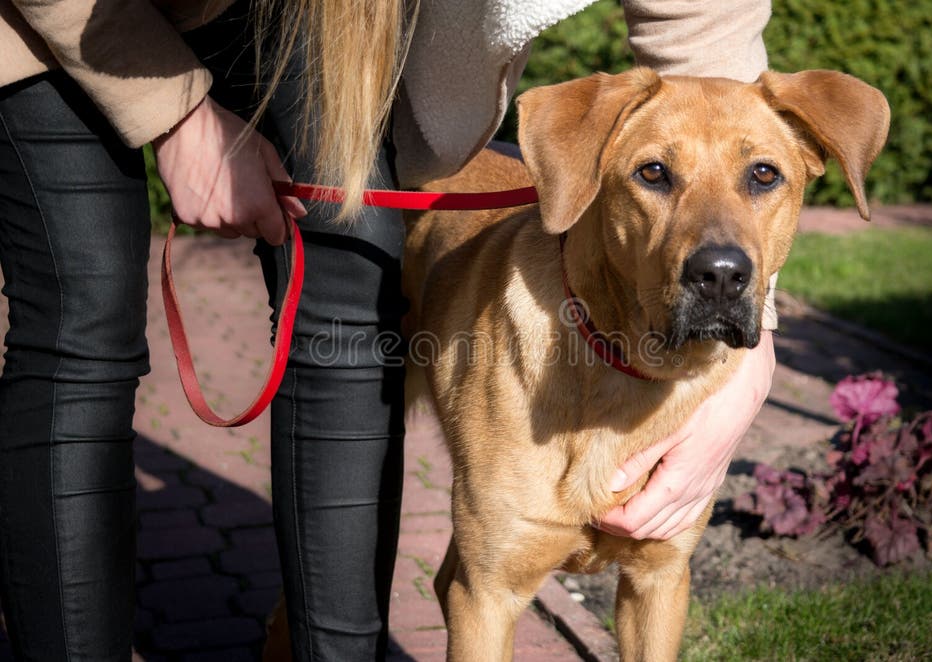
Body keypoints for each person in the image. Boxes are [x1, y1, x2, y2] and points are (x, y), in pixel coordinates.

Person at [0, 0, 773, 660]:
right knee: (81, 331)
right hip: (62, 21)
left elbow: (704, 29)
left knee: (346, 318)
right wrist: (177, 117)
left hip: (318, 18)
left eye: (765, 178)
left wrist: (750, 365)